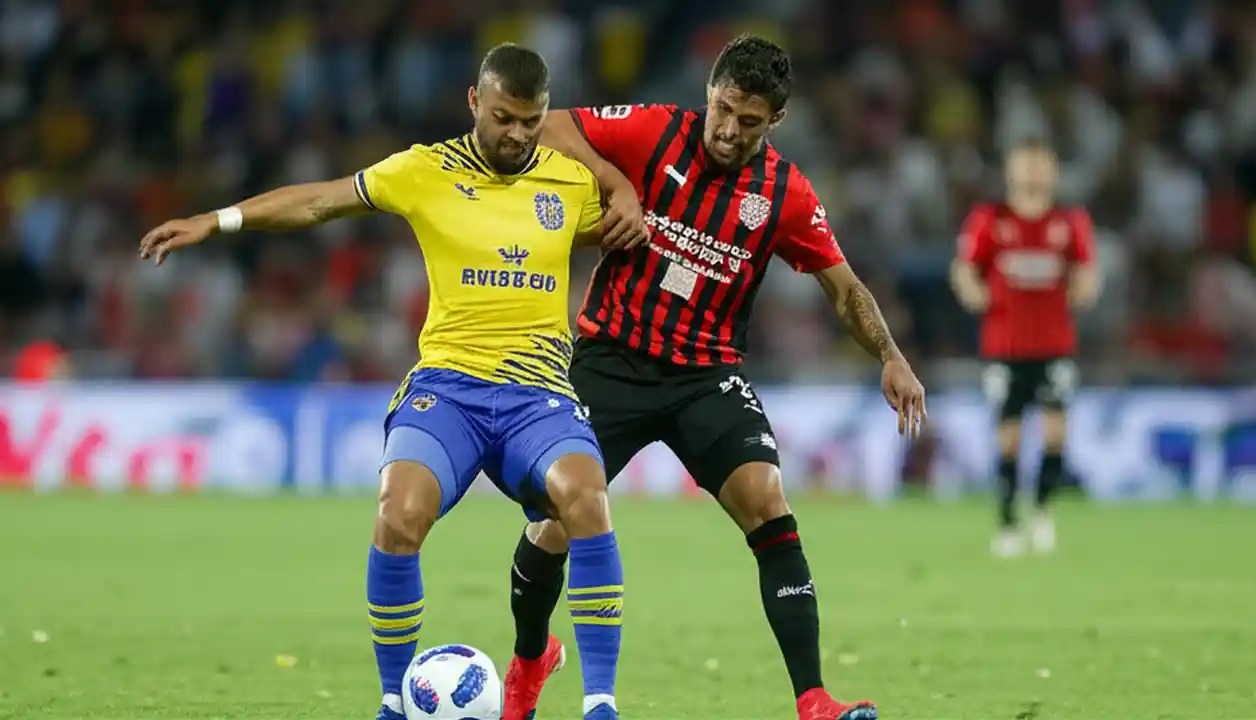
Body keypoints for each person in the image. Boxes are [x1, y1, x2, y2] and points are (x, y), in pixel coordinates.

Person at [139, 44, 631, 720]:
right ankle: (395, 703)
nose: (517, 134)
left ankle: (600, 704)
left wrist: (627, 197)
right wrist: (216, 220)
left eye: (531, 120)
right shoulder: (424, 170)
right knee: (398, 515)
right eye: (503, 117)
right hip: (449, 390)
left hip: (537, 397)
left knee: (587, 499)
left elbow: (637, 223)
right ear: (473, 103)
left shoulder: (570, 183)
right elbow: (318, 203)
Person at [500, 35, 925, 720]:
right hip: (612, 362)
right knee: (554, 522)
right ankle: (529, 662)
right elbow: (550, 126)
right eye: (724, 109)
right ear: (709, 90)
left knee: (769, 503)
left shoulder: (785, 194)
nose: (729, 130)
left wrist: (891, 356)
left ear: (775, 121)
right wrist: (616, 186)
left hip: (706, 376)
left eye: (748, 120)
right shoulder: (653, 131)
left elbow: (843, 288)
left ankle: (813, 699)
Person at [949, 138, 1099, 558]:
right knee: (1009, 438)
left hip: (1054, 346)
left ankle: (1042, 509)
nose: (1032, 173)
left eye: (1040, 165)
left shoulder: (1069, 222)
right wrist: (972, 290)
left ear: (1052, 172)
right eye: (1025, 165)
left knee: (1055, 434)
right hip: (1005, 347)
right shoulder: (990, 219)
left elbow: (1087, 272)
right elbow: (964, 268)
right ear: (1012, 171)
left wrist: (1085, 289)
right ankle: (1008, 520)